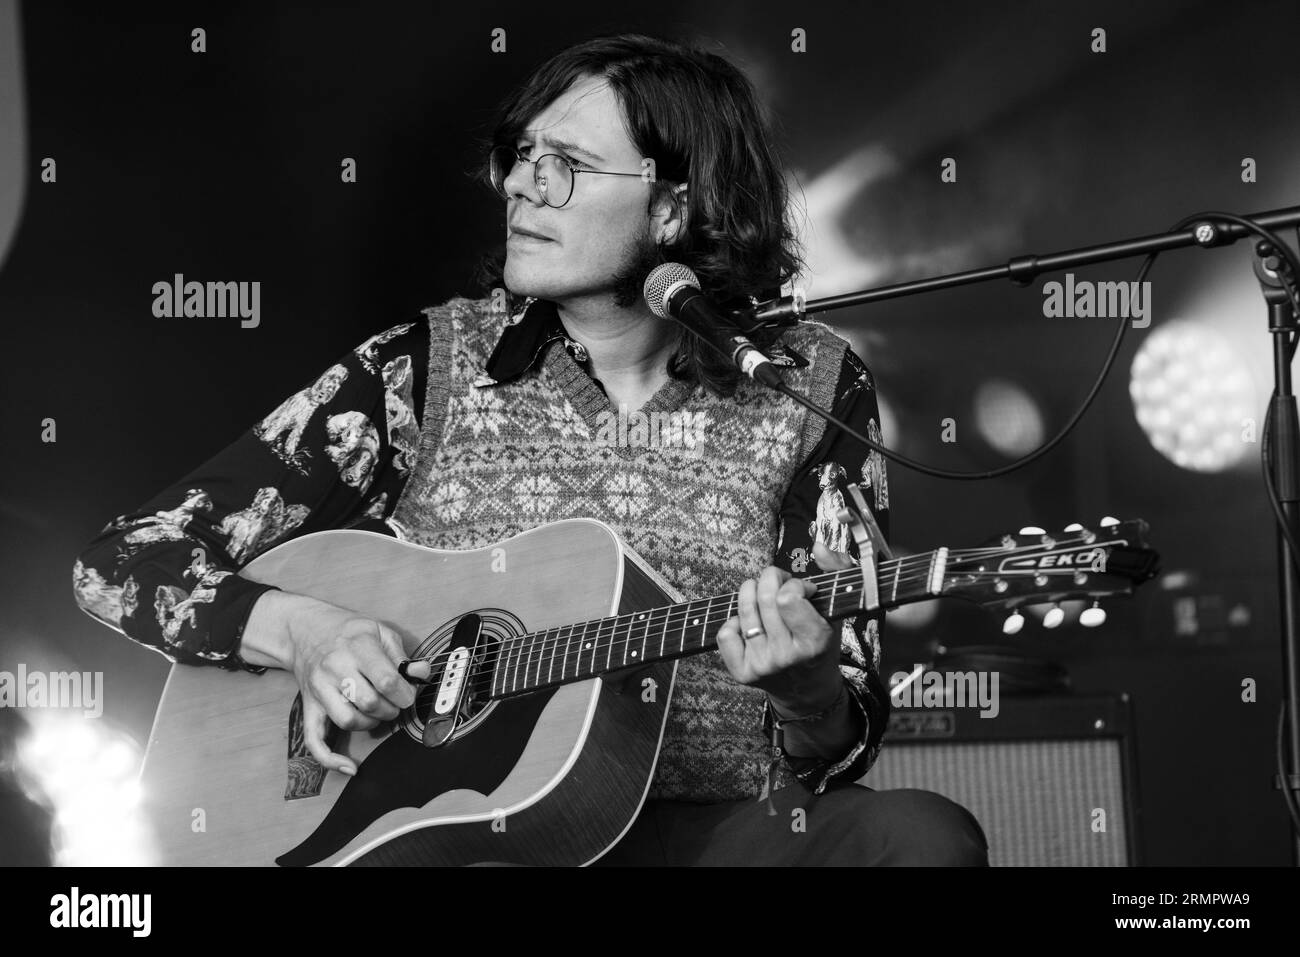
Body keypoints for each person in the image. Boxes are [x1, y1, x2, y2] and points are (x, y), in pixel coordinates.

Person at [74, 32, 987, 866]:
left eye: (568, 166)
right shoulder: (424, 366)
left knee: (919, 837)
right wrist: (304, 633)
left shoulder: (808, 382)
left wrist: (810, 692)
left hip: (717, 835)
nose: (520, 185)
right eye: (522, 158)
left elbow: (847, 735)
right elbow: (122, 561)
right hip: (466, 841)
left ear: (672, 209)